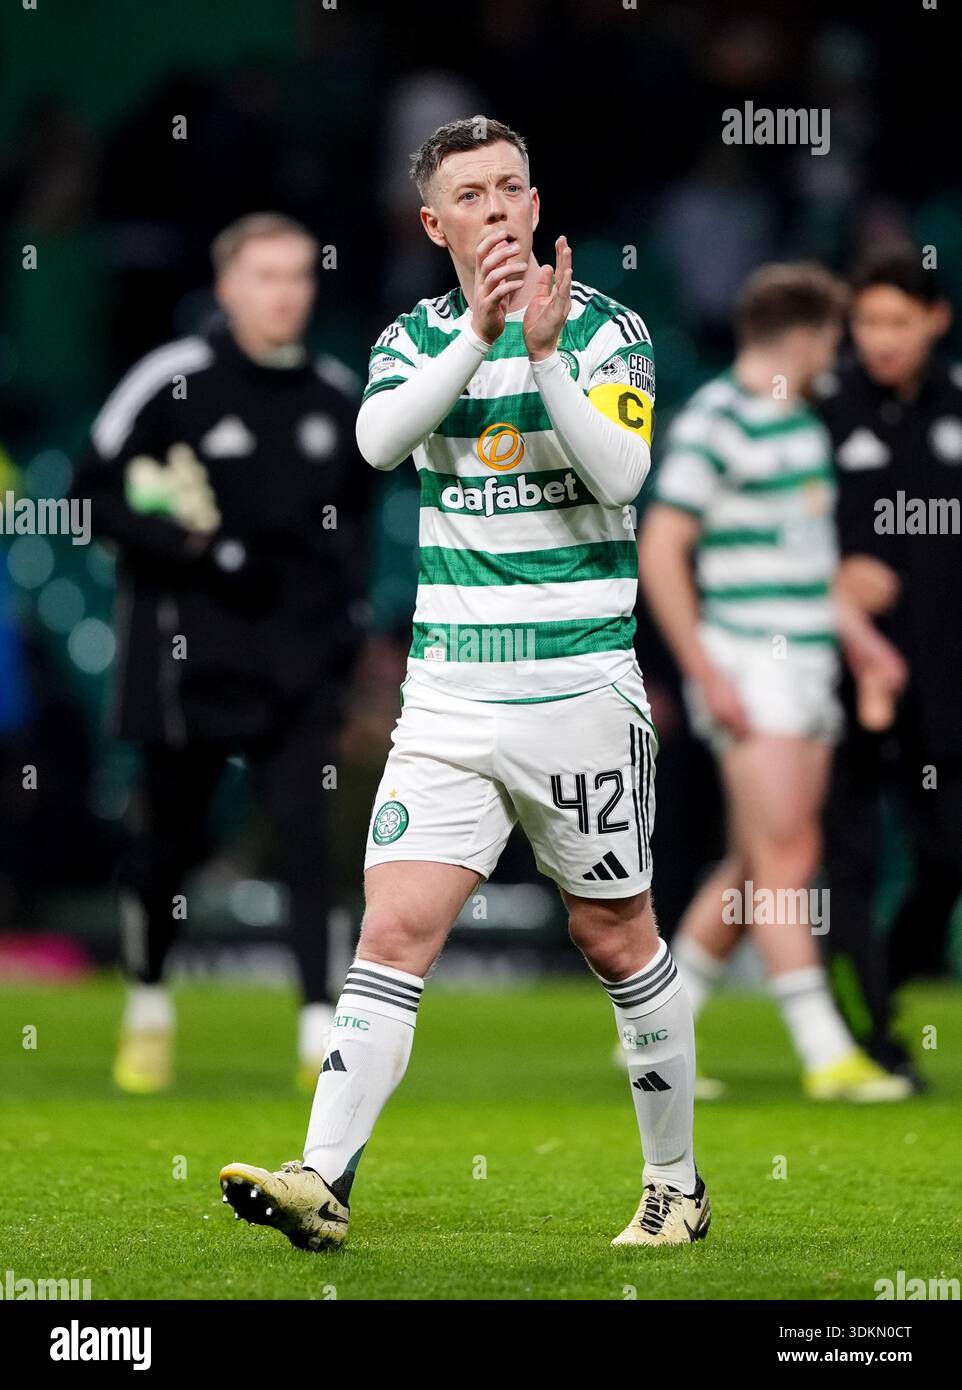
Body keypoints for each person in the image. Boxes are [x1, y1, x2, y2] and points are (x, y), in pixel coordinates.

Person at [219, 115, 711, 1252]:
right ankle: (323, 1177)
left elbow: (622, 473)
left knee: (615, 933)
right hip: (447, 698)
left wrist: (537, 355)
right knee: (392, 926)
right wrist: (480, 334)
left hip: (578, 690)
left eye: (510, 189)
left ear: (535, 206)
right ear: (434, 223)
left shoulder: (604, 331)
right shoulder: (411, 339)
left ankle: (673, 1185)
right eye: (471, 196)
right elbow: (380, 442)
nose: (496, 210)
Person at [75, 213, 369, 1093]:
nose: (286, 293)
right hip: (185, 663)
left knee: (311, 842)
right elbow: (91, 496)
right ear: (228, 287)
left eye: (298, 276)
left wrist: (347, 630)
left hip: (297, 667)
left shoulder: (335, 394)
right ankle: (150, 1004)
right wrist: (193, 547)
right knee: (165, 844)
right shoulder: (172, 383)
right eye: (265, 276)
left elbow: (354, 532)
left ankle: (321, 1030)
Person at [638, 262, 910, 1102]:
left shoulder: (797, 423)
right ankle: (826, 1051)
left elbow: (807, 564)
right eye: (832, 337)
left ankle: (653, 1040)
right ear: (802, 335)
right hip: (753, 663)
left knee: (755, 861)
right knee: (790, 857)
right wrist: (704, 669)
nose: (839, 353)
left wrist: (858, 638)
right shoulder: (717, 420)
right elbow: (661, 548)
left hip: (807, 663)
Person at [816, 245, 962, 1087]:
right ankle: (869, 1032)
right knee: (849, 861)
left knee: (947, 856)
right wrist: (830, 572)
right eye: (868, 321)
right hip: (832, 680)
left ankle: (894, 973)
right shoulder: (822, 409)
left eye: (899, 321)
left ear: (936, 321)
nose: (881, 339)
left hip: (940, 682)